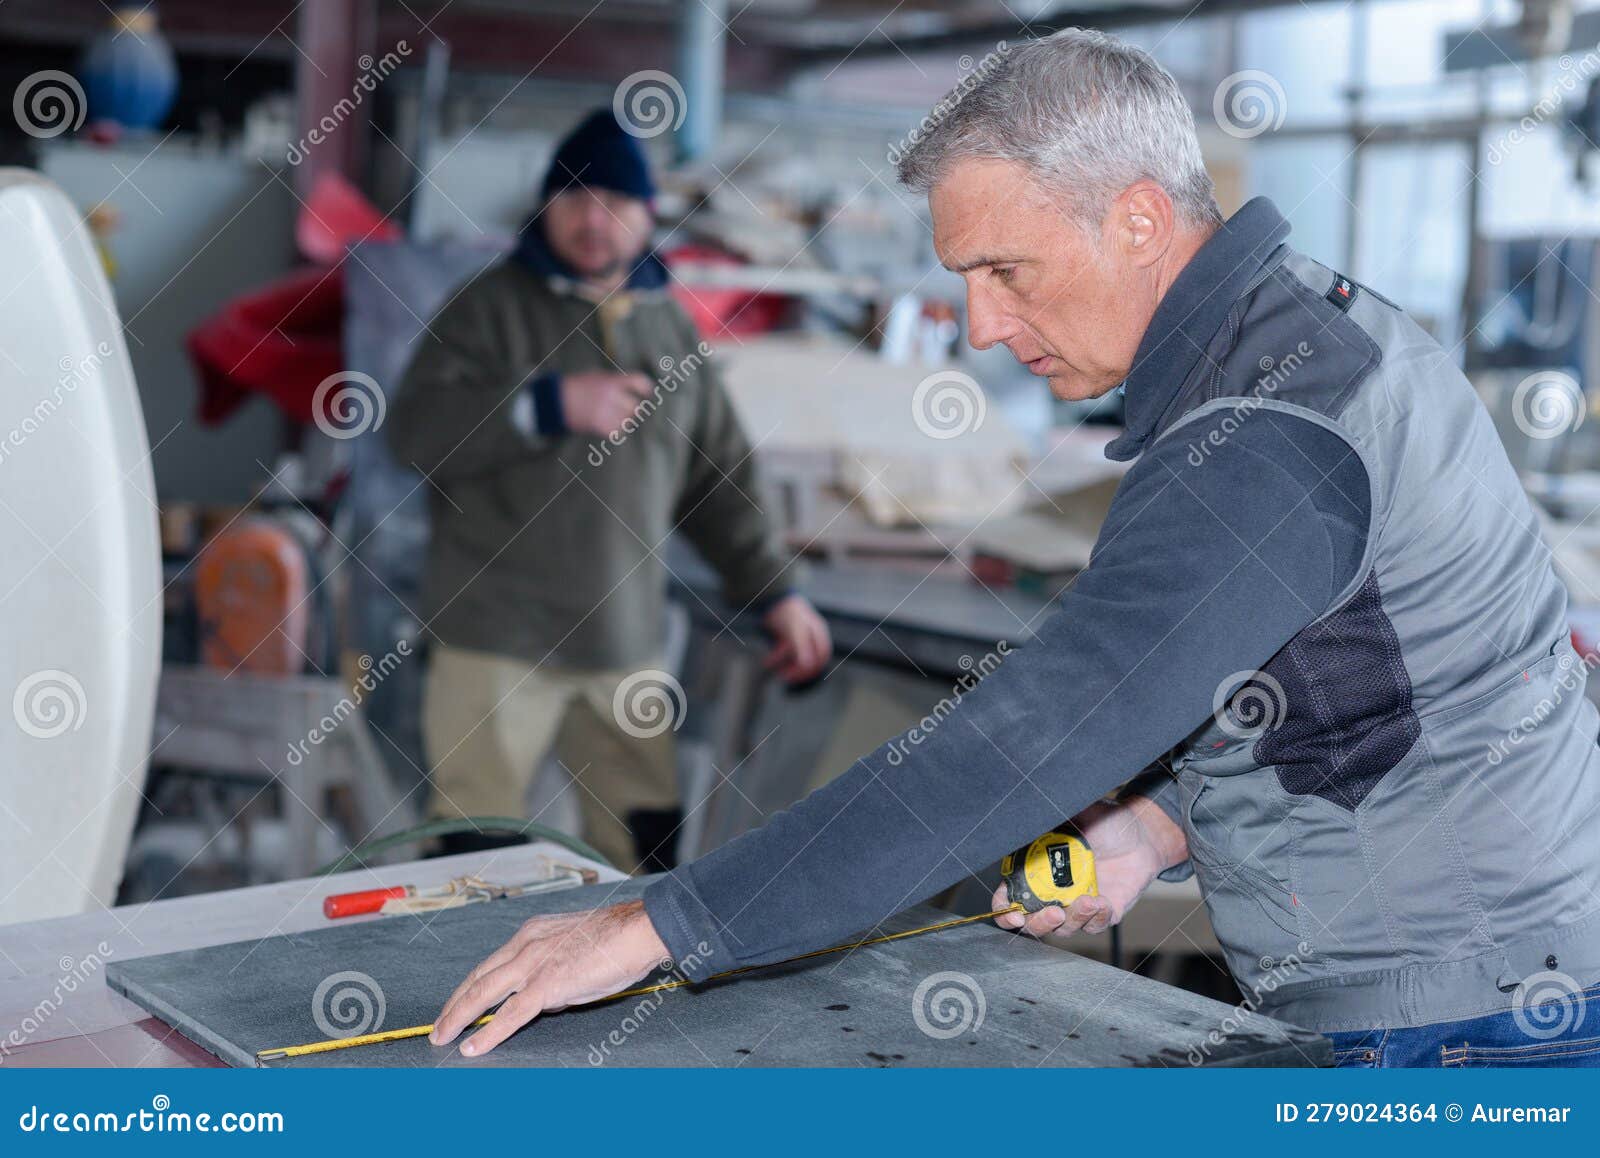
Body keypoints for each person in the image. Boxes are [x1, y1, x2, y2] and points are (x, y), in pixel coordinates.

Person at [430, 32, 1600, 1067]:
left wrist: (661, 924)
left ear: (1138, 219)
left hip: (1465, 1027)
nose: (982, 326)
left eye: (1005, 271)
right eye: (964, 280)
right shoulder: (1303, 335)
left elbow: (1030, 732)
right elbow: (1372, 671)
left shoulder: (1264, 429)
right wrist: (1157, 825)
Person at [388, 110, 830, 874]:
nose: (594, 219)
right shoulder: (486, 308)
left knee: (642, 853)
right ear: (545, 207)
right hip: (494, 637)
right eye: (574, 198)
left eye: (616, 202)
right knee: (467, 856)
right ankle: (464, 995)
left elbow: (717, 481)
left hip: (622, 642)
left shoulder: (671, 331)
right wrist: (548, 405)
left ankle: (626, 995)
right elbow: (416, 433)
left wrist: (777, 594)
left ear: (647, 213)